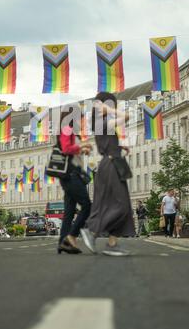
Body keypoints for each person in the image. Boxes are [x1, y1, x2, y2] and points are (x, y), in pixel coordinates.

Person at [81, 92, 135, 256]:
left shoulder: (101, 122)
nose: (114, 107)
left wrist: (120, 147)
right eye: (112, 104)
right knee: (121, 205)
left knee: (114, 204)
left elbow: (107, 141)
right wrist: (109, 110)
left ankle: (112, 244)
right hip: (110, 165)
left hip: (113, 163)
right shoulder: (102, 121)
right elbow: (127, 116)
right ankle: (92, 231)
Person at [57, 105, 92, 254]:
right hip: (71, 175)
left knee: (70, 210)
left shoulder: (71, 131)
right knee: (87, 205)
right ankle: (71, 236)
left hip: (71, 174)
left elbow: (70, 149)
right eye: (80, 116)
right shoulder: (66, 129)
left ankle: (63, 243)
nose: (82, 119)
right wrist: (81, 146)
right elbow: (65, 148)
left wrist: (81, 148)